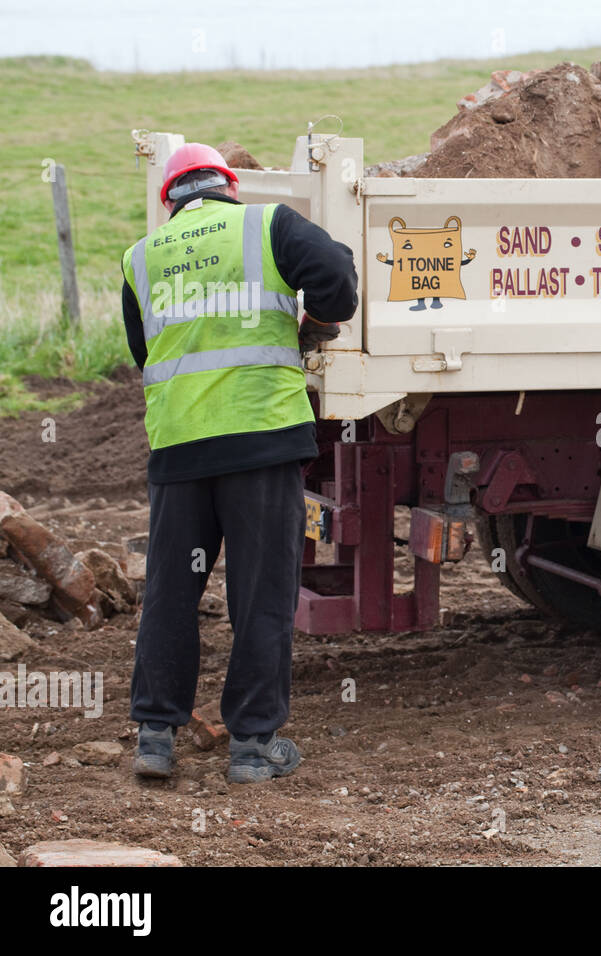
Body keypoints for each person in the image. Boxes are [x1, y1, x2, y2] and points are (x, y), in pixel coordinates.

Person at [120, 143, 357, 783]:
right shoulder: (266, 224)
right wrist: (313, 326)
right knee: (260, 595)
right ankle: (252, 749)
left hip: (179, 447)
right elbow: (337, 275)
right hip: (261, 439)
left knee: (170, 593)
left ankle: (155, 739)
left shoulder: (140, 257)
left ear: (169, 199)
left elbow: (146, 349)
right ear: (228, 186)